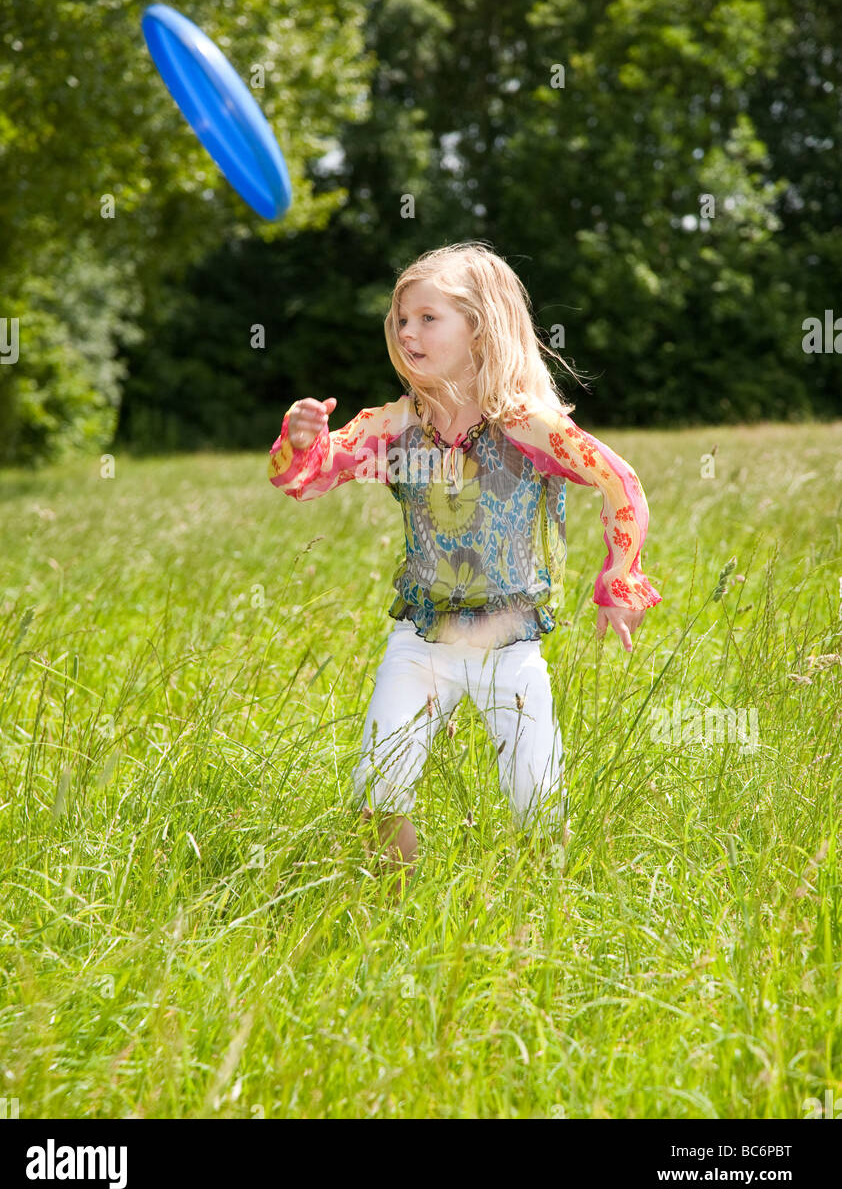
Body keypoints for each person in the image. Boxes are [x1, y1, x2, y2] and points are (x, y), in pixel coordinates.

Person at [267, 242, 662, 898]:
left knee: (538, 800)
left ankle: (543, 926)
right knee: (378, 786)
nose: (407, 332)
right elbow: (303, 484)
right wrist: (300, 439)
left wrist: (618, 581)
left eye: (427, 318)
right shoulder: (394, 426)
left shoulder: (528, 426)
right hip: (421, 644)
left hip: (510, 647)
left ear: (478, 328)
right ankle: (386, 920)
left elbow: (621, 482)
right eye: (400, 320)